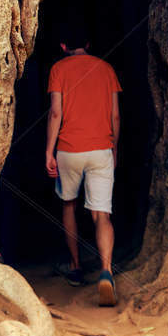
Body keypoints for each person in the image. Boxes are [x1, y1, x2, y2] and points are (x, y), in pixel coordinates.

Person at [44, 23, 122, 305]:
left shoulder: (58, 69)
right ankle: (106, 271)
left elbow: (55, 113)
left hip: (69, 150)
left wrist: (49, 151)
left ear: (63, 46)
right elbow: (115, 116)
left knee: (69, 205)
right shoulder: (107, 69)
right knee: (102, 214)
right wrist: (114, 148)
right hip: (101, 149)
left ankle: (75, 267)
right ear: (88, 44)